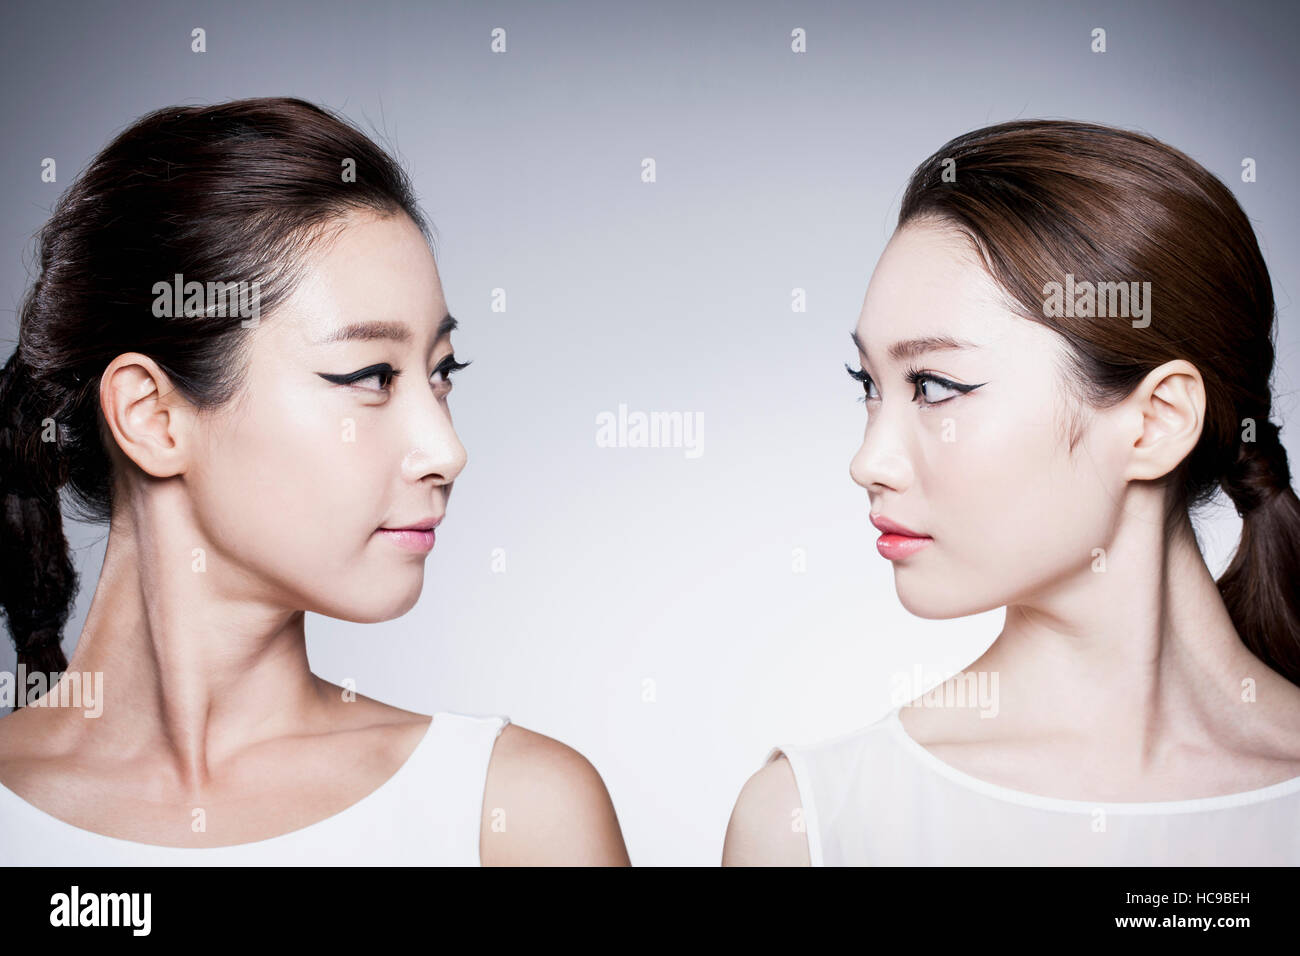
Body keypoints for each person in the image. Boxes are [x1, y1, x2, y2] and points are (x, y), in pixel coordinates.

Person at [0, 97, 629, 865]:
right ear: (153, 417)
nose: (447, 450)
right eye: (370, 375)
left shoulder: (513, 816)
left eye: (442, 374)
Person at [723, 119, 1300, 866]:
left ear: (1156, 422)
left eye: (934, 386)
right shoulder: (813, 824)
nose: (867, 461)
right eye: (869, 385)